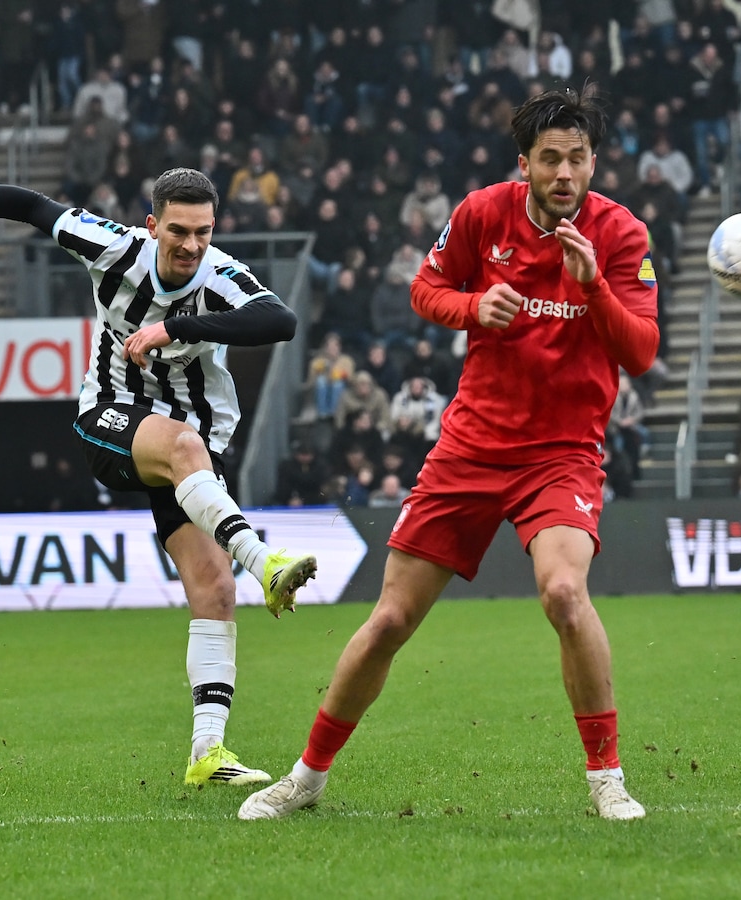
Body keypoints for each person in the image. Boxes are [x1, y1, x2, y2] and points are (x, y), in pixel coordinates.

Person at [239, 88, 660, 822]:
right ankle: (306, 777)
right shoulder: (480, 214)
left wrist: (594, 289)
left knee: (564, 594)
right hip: (470, 446)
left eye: (579, 158)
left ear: (594, 162)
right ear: (523, 163)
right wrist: (473, 307)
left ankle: (607, 780)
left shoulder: (620, 234)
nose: (566, 173)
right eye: (551, 159)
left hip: (561, 454)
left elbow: (642, 351)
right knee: (392, 620)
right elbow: (425, 288)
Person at [0, 165, 319, 789]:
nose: (190, 246)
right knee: (181, 442)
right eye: (177, 231)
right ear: (152, 226)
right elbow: (33, 206)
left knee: (214, 592)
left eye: (203, 232)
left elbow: (279, 322)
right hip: (114, 420)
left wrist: (177, 327)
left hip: (197, 452)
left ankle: (208, 753)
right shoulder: (116, 248)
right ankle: (263, 560)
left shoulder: (222, 276)